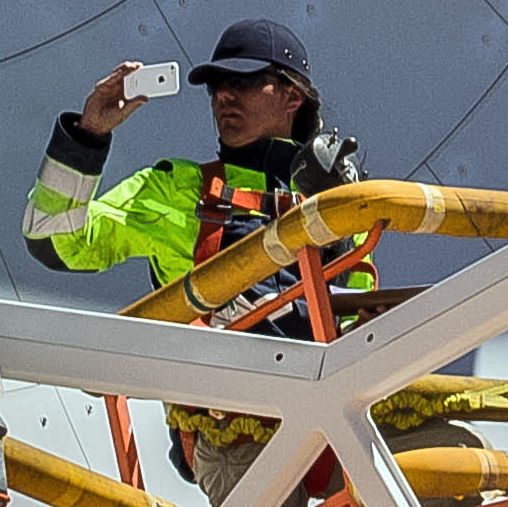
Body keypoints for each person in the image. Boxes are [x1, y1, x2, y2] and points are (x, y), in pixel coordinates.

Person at [21, 18, 369, 317]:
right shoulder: (174, 188)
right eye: (216, 86)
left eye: (241, 81)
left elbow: (357, 318)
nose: (223, 96)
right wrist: (87, 136)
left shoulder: (339, 200)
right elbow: (54, 239)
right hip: (213, 375)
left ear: (292, 97)